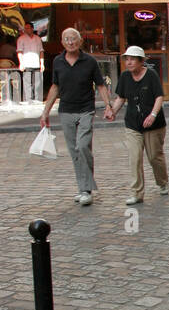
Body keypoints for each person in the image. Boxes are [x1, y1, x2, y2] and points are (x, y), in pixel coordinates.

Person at [41, 28, 114, 205]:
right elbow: (55, 87)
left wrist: (108, 106)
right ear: (62, 42)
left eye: (73, 39)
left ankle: (87, 190)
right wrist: (45, 112)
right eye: (67, 39)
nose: (70, 42)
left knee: (83, 147)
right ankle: (82, 188)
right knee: (74, 151)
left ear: (80, 41)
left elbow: (101, 85)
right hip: (66, 111)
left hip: (85, 110)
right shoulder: (58, 61)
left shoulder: (89, 61)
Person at [106, 45, 168, 204]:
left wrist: (153, 115)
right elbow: (121, 97)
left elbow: (159, 97)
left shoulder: (151, 75)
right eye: (127, 59)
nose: (129, 62)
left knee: (155, 157)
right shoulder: (125, 77)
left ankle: (162, 182)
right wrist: (113, 111)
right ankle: (136, 193)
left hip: (154, 124)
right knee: (135, 158)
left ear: (141, 61)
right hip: (133, 123)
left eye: (132, 59)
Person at [17, 21, 44, 102]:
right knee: (27, 83)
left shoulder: (38, 38)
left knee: (37, 83)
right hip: (27, 64)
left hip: (36, 64)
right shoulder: (21, 39)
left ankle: (36, 99)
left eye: (28, 28)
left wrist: (42, 63)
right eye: (25, 28)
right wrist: (21, 63)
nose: (26, 30)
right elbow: (19, 51)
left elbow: (41, 51)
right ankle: (28, 100)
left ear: (32, 29)